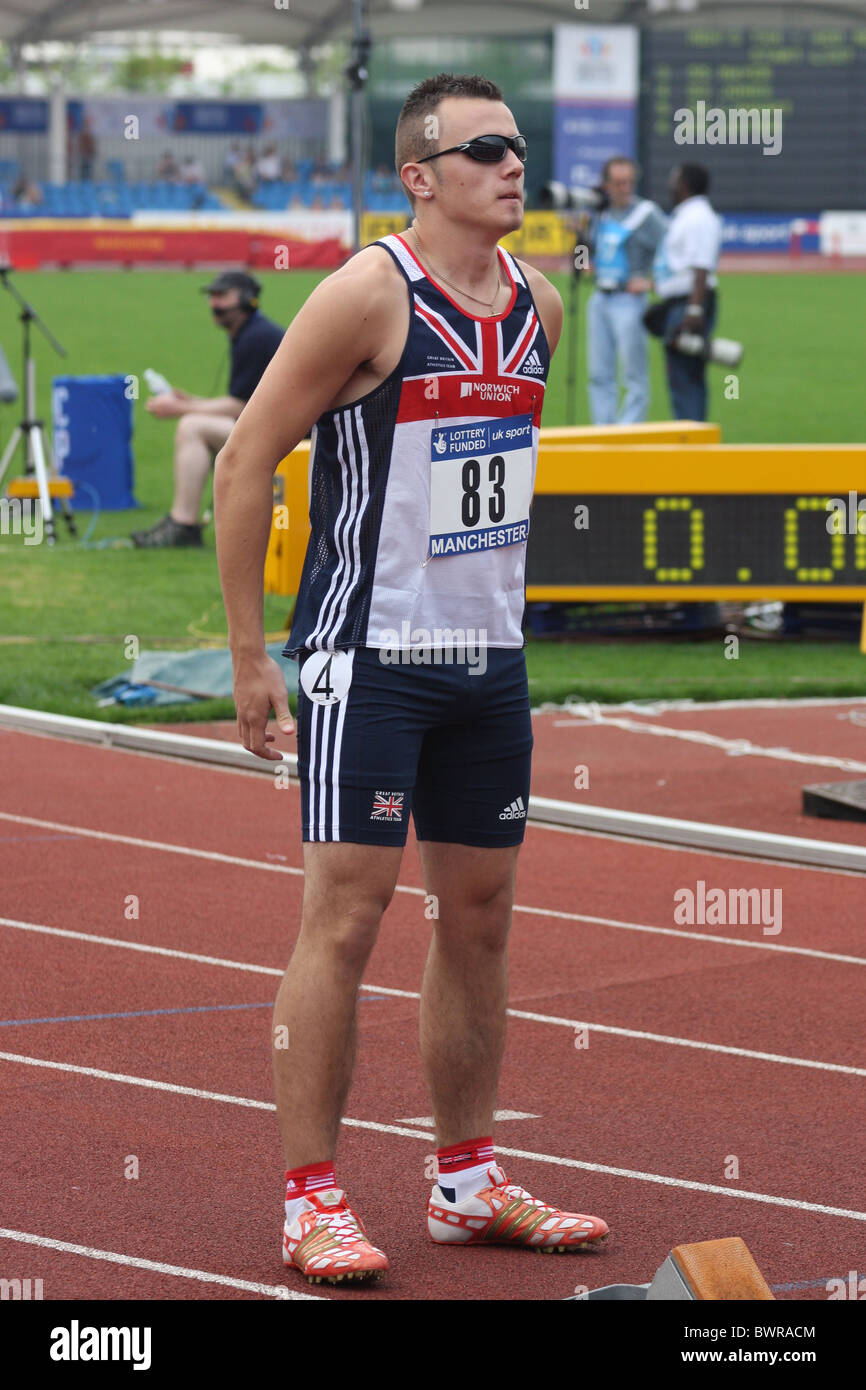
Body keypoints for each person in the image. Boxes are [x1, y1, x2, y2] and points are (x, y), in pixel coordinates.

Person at [213, 71, 610, 1287]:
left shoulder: (540, 303)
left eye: (518, 147)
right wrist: (249, 654)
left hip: (485, 660)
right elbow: (242, 463)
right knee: (344, 918)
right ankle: (310, 1197)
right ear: (419, 175)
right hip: (366, 657)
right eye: (482, 148)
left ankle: (466, 1180)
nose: (511, 165)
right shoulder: (365, 296)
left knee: (479, 922)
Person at [131, 271, 283, 548]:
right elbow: (245, 402)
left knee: (192, 426)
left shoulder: (256, 338)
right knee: (195, 420)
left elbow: (240, 405)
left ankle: (183, 524)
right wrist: (191, 402)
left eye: (222, 296)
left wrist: (182, 408)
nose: (214, 303)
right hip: (280, 431)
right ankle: (184, 523)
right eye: (211, 296)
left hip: (290, 441)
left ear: (249, 301)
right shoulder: (253, 333)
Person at [586, 156, 667, 425]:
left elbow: (675, 251)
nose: (625, 188)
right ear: (606, 185)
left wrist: (652, 282)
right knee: (598, 373)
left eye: (629, 182)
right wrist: (583, 262)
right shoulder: (599, 213)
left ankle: (628, 433)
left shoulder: (647, 214)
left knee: (634, 375)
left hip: (629, 301)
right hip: (600, 298)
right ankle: (603, 433)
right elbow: (583, 247)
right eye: (619, 183)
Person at [652, 163, 722, 421]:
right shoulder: (688, 215)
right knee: (681, 376)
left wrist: (693, 310)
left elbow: (701, 265)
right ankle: (689, 438)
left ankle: (692, 443)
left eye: (674, 178)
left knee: (686, 378)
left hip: (689, 304)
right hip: (681, 302)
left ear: (685, 184)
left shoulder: (698, 217)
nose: (670, 184)